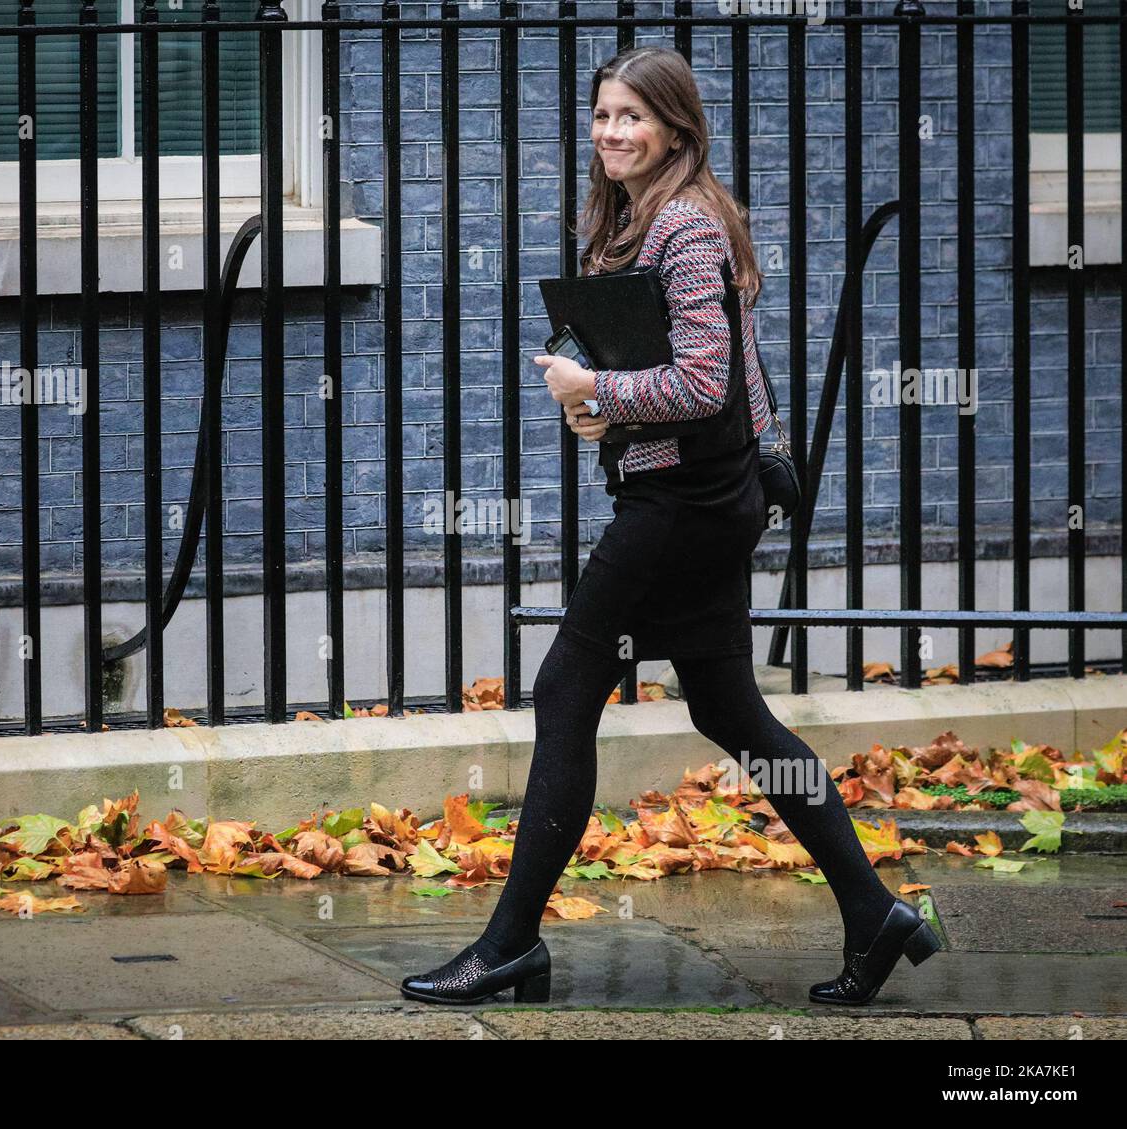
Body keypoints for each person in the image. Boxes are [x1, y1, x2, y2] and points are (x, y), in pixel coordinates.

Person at [400, 45, 940, 1009]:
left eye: (632, 118)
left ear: (676, 129)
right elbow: (738, 361)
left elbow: (702, 380)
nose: (612, 132)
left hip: (679, 511)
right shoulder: (657, 217)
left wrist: (593, 387)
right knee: (732, 712)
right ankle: (874, 911)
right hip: (703, 497)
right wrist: (617, 415)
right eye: (602, 114)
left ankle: (510, 944)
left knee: (566, 687)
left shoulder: (682, 226)